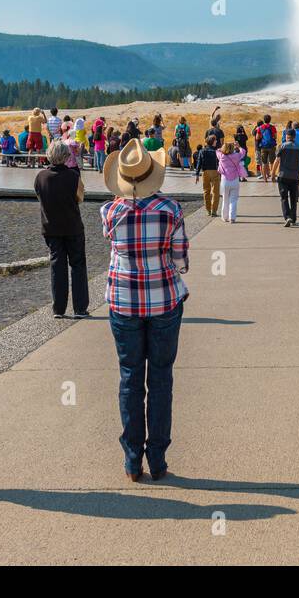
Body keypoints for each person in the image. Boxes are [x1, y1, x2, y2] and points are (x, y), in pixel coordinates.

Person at [100, 140, 187, 483]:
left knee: (130, 377)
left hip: (123, 301)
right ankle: (159, 459)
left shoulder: (109, 212)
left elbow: (114, 242)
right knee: (161, 377)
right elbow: (180, 259)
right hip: (163, 299)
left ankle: (132, 459)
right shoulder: (171, 210)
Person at [34, 139, 89, 319]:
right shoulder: (74, 177)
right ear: (66, 157)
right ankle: (80, 308)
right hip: (73, 226)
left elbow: (39, 196)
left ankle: (59, 309)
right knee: (78, 266)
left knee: (57, 267)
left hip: (50, 227)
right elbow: (80, 198)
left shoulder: (40, 177)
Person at [275, 128, 299, 227]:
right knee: (293, 198)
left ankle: (287, 216)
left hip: (283, 176)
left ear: (286, 136)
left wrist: (272, 174)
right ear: (294, 137)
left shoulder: (282, 146)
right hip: (295, 177)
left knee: (284, 197)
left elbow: (277, 161)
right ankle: (293, 218)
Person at [218, 140, 247, 222]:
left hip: (224, 181)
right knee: (233, 200)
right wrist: (238, 146)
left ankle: (225, 217)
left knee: (225, 199)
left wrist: (225, 146)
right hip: (235, 180)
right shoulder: (237, 156)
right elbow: (243, 152)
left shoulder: (221, 156)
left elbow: (217, 150)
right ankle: (232, 218)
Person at [200, 135, 222, 216]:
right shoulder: (217, 151)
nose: (216, 141)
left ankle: (208, 210)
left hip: (205, 172)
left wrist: (196, 174)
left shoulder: (202, 150)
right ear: (213, 141)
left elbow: (199, 162)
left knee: (206, 191)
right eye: (215, 140)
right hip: (215, 171)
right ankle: (214, 210)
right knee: (216, 191)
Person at [254, 116, 278, 182]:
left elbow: (257, 138)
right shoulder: (272, 127)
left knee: (264, 163)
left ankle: (265, 178)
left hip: (263, 147)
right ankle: (273, 177)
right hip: (271, 146)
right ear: (270, 120)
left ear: (264, 120)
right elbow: (275, 136)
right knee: (272, 162)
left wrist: (262, 136)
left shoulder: (260, 127)